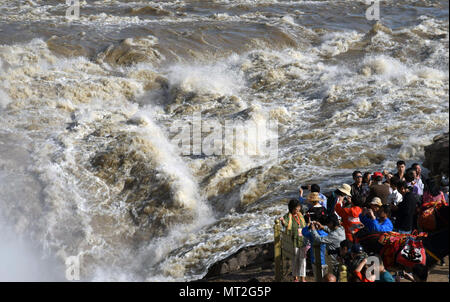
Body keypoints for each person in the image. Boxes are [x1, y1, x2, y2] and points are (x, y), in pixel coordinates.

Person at [279, 199, 308, 282]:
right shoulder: (288, 216)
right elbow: (286, 223)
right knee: (295, 259)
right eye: (296, 208)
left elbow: (304, 225)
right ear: (291, 208)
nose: (298, 210)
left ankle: (303, 277)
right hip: (294, 240)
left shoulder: (300, 215)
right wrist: (282, 221)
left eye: (298, 208)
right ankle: (295, 277)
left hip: (302, 239)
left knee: (303, 259)